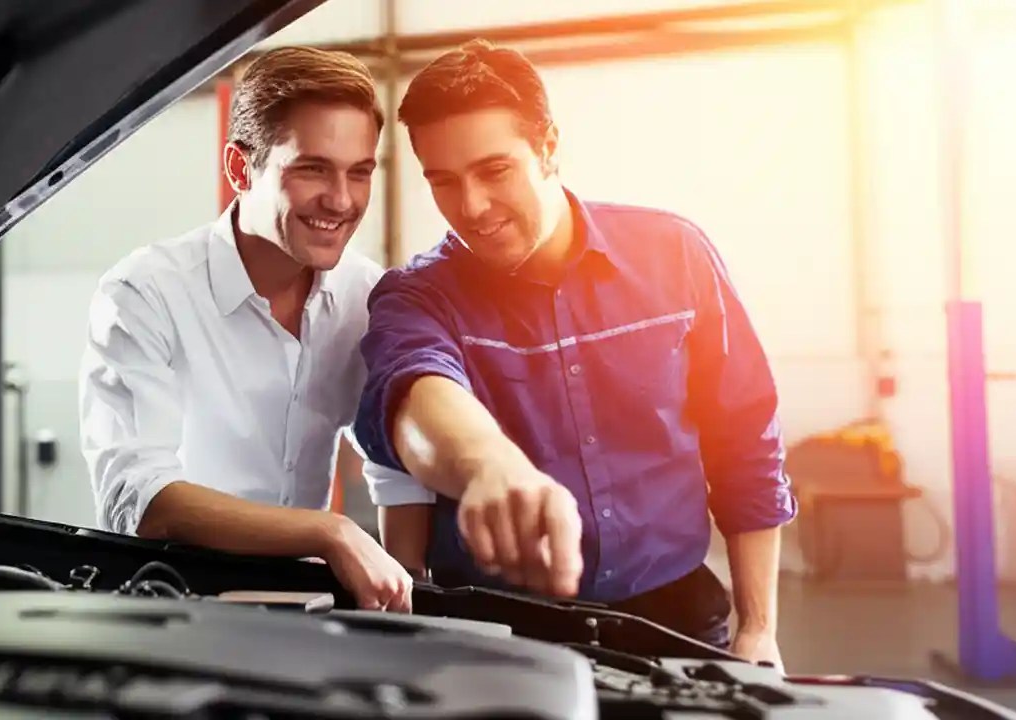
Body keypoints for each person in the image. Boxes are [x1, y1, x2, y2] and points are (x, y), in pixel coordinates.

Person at [353, 40, 797, 663]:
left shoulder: (675, 255)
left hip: (680, 625)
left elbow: (745, 438)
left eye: (495, 170)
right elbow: (414, 395)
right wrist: (486, 465)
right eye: (444, 182)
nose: (472, 208)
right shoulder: (417, 295)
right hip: (500, 638)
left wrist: (759, 627)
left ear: (549, 146)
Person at [79, 46, 413, 612]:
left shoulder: (365, 295)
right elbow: (142, 499)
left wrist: (413, 601)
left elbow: (395, 464)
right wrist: (328, 532)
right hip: (167, 613)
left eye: (359, 173)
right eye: (312, 168)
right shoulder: (145, 292)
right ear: (240, 169)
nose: (341, 200)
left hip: (306, 623)